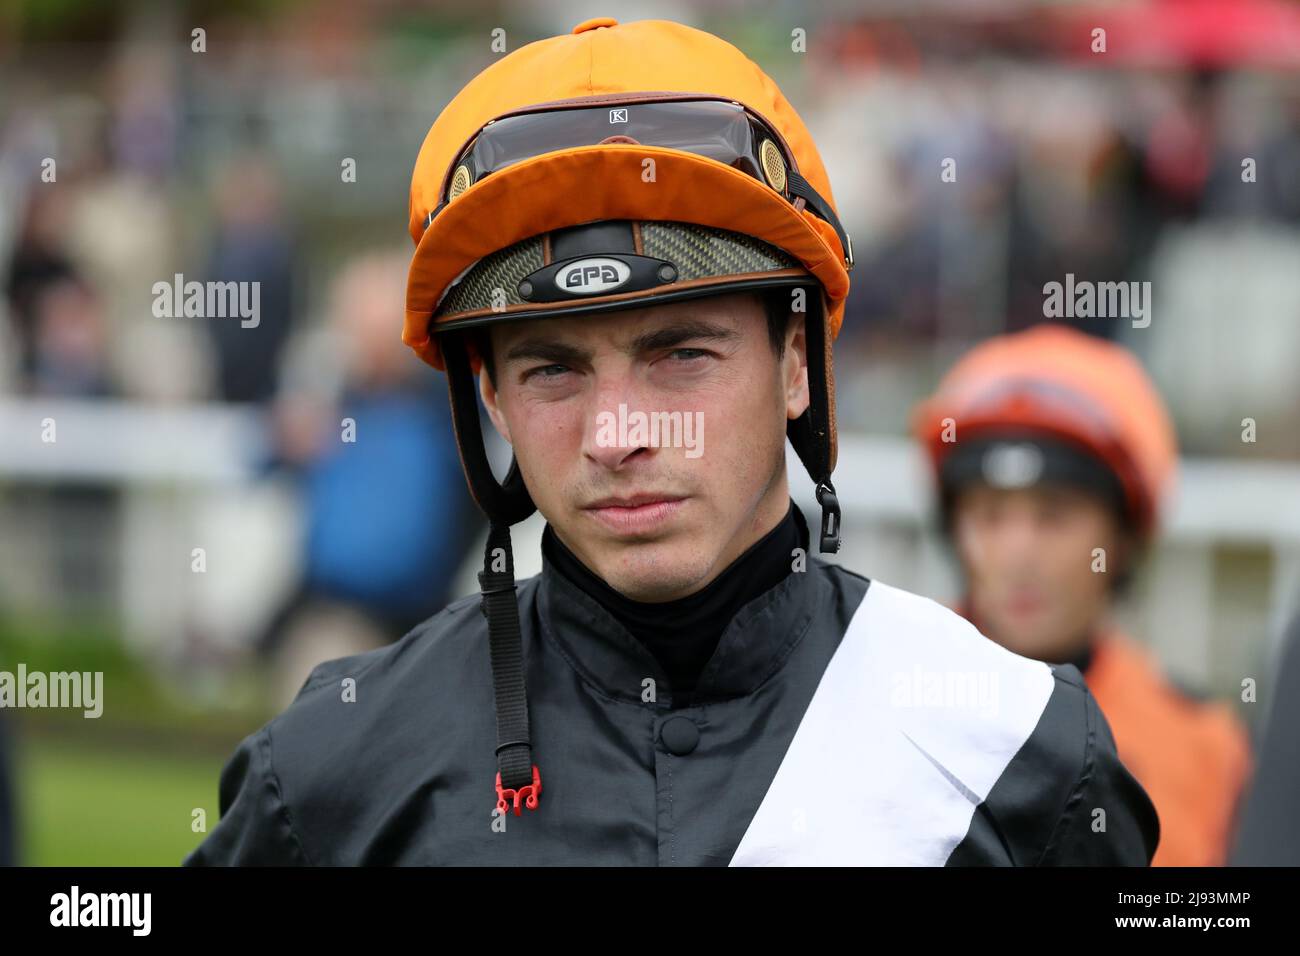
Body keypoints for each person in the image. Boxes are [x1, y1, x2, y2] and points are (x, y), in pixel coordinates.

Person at [185, 17, 1156, 866]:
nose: (618, 434)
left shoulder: (1020, 747)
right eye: (552, 369)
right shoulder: (333, 759)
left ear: (796, 365)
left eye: (681, 353)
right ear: (488, 396)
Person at [912, 323, 1251, 866]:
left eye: (1054, 516)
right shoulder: (877, 699)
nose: (1018, 553)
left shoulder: (1204, 748)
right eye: (990, 515)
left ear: (1123, 538)